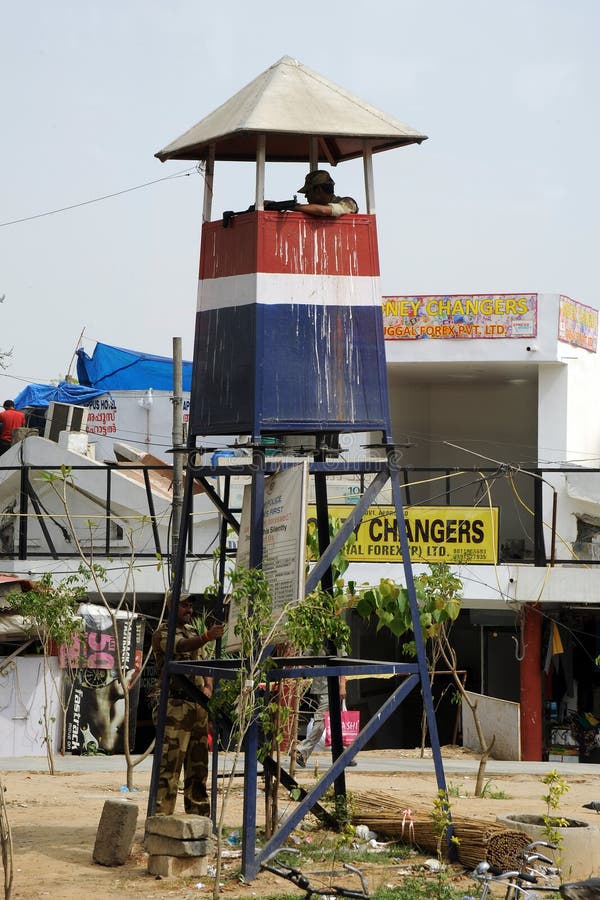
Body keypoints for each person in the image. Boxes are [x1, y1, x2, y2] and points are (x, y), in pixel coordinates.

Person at [151, 594, 224, 816]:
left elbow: (203, 662)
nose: (189, 609)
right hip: (175, 706)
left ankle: (198, 815)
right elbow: (180, 647)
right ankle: (162, 816)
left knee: (198, 766)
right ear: (171, 607)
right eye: (184, 605)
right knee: (170, 765)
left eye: (191, 605)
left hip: (197, 706)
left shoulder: (193, 632)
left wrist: (209, 687)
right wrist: (206, 636)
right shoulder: (163, 632)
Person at [295, 658, 357, 768]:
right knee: (327, 721)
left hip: (332, 687)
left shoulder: (335, 641)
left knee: (324, 721)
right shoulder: (316, 642)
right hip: (321, 687)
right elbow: (305, 658)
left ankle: (303, 750)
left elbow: (342, 662)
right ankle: (344, 755)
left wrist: (342, 684)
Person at [293, 170, 358, 218]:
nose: (306, 196)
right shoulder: (314, 210)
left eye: (308, 192)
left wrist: (294, 207)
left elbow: (323, 211)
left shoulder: (348, 203)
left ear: (318, 190)